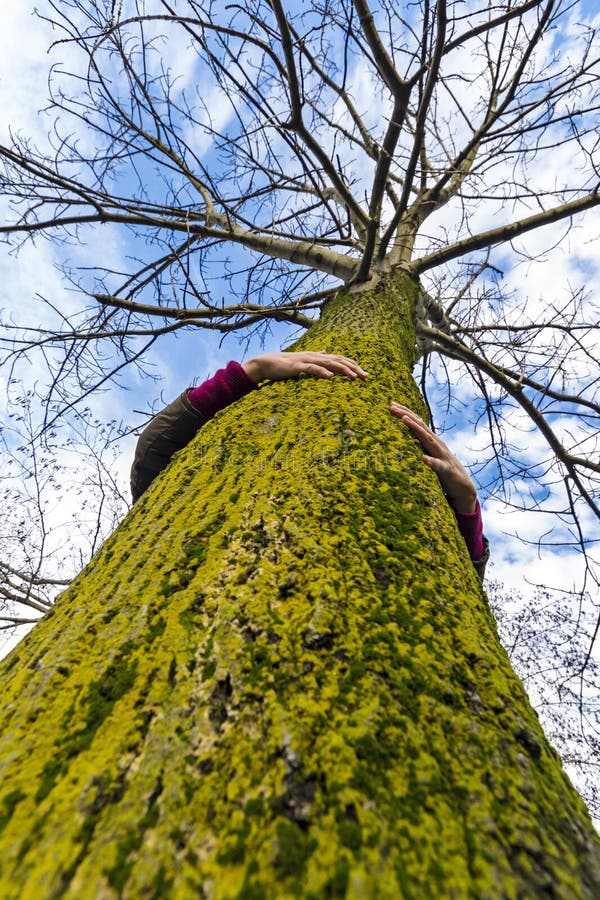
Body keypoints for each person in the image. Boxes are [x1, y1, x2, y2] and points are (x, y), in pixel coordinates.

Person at [131, 351, 488, 579]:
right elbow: (152, 456)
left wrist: (467, 509)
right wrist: (249, 373)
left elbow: (465, 579)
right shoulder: (155, 524)